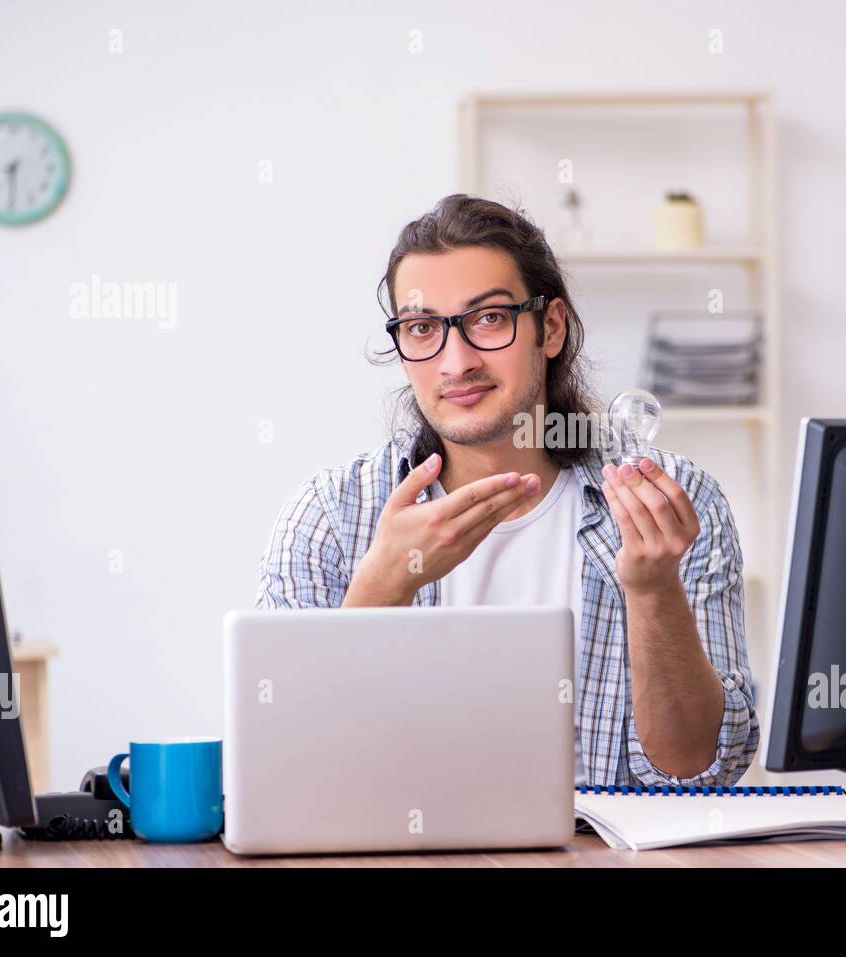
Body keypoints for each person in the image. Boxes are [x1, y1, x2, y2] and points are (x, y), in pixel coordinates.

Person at [256, 193, 758, 787]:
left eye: (488, 319)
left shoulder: (673, 503)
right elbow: (284, 765)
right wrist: (381, 587)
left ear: (549, 328)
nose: (455, 362)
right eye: (422, 329)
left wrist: (653, 592)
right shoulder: (331, 517)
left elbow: (698, 770)